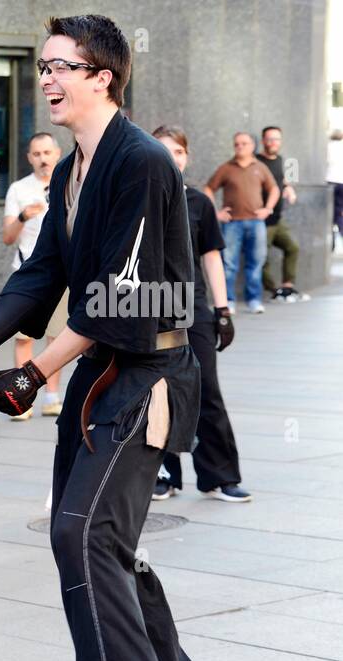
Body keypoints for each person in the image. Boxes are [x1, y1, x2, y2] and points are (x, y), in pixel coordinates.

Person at [0, 14, 208, 661]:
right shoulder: (72, 171)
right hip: (102, 379)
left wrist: (35, 373)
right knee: (100, 536)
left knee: (81, 536)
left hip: (146, 376)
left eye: (59, 66)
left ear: (101, 76)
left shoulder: (142, 162)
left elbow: (121, 298)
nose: (45, 78)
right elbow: (45, 269)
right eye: (43, 65)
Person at [151, 126, 251, 504]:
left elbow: (212, 256)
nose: (172, 157)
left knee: (207, 389)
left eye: (178, 151)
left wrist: (222, 310)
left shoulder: (199, 203)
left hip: (194, 309)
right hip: (150, 309)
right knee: (159, 393)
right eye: (163, 150)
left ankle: (220, 477)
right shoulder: (139, 200)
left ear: (186, 157)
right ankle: (163, 474)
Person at [1, 131, 65, 420]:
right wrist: (24, 216)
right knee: (24, 337)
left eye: (47, 153)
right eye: (36, 154)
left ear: (57, 153)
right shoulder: (18, 189)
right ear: (29, 158)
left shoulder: (70, 183)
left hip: (63, 273)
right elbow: (7, 237)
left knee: (56, 337)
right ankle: (20, 397)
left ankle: (52, 396)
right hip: (28, 272)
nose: (43, 159)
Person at [204, 132, 278, 314]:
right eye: (237, 143)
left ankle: (254, 300)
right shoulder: (226, 168)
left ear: (253, 146)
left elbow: (274, 189)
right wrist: (216, 213)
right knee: (229, 264)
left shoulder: (260, 167)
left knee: (256, 263)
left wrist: (267, 209)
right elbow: (208, 188)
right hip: (232, 224)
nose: (240, 146)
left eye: (244, 143)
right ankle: (228, 301)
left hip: (256, 223)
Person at [256, 126, 309, 304]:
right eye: (269, 139)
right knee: (261, 258)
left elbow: (281, 180)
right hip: (262, 220)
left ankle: (287, 286)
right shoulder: (256, 161)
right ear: (263, 141)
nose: (273, 143)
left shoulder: (280, 160)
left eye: (276, 139)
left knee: (292, 248)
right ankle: (274, 290)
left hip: (278, 219)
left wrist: (288, 188)